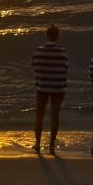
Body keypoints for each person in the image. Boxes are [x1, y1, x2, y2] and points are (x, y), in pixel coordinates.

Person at [31, 23, 68, 154]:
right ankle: (51, 145)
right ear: (57, 36)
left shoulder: (39, 51)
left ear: (47, 35)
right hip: (58, 87)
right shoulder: (62, 52)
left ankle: (37, 143)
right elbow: (65, 69)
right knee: (55, 116)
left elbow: (34, 66)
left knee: (39, 115)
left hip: (42, 86)